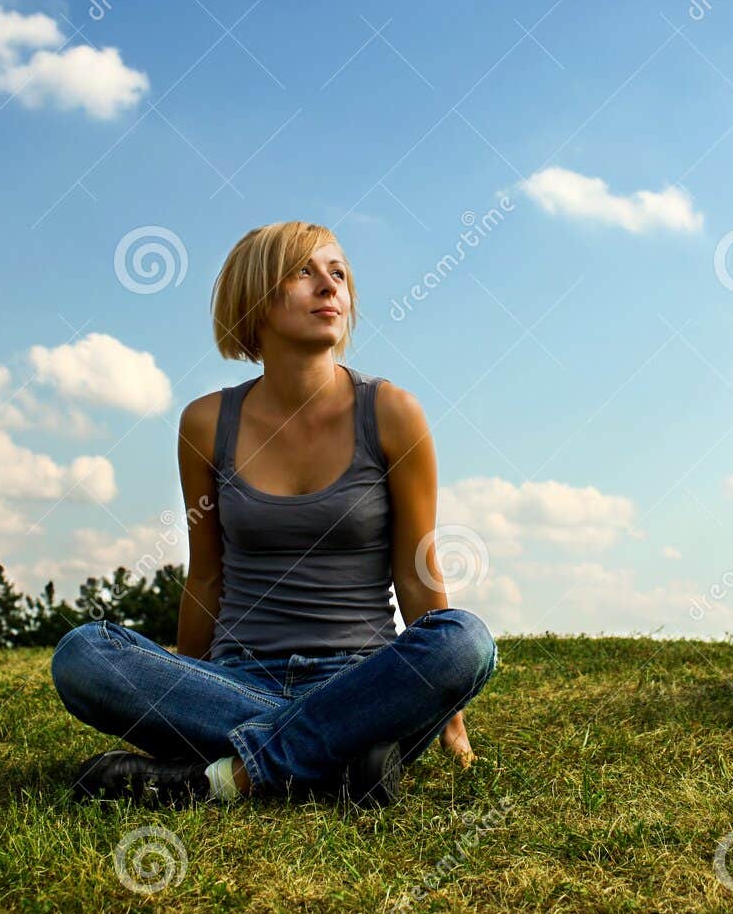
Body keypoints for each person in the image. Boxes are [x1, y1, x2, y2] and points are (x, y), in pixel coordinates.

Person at [51, 221, 497, 806]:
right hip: (240, 675)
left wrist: (451, 719)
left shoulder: (392, 413)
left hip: (362, 680)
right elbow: (206, 576)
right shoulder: (206, 423)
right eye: (303, 272)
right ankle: (338, 759)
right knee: (83, 654)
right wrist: (186, 688)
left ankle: (219, 778)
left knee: (465, 641)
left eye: (338, 274)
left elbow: (417, 574)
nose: (329, 286)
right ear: (255, 298)